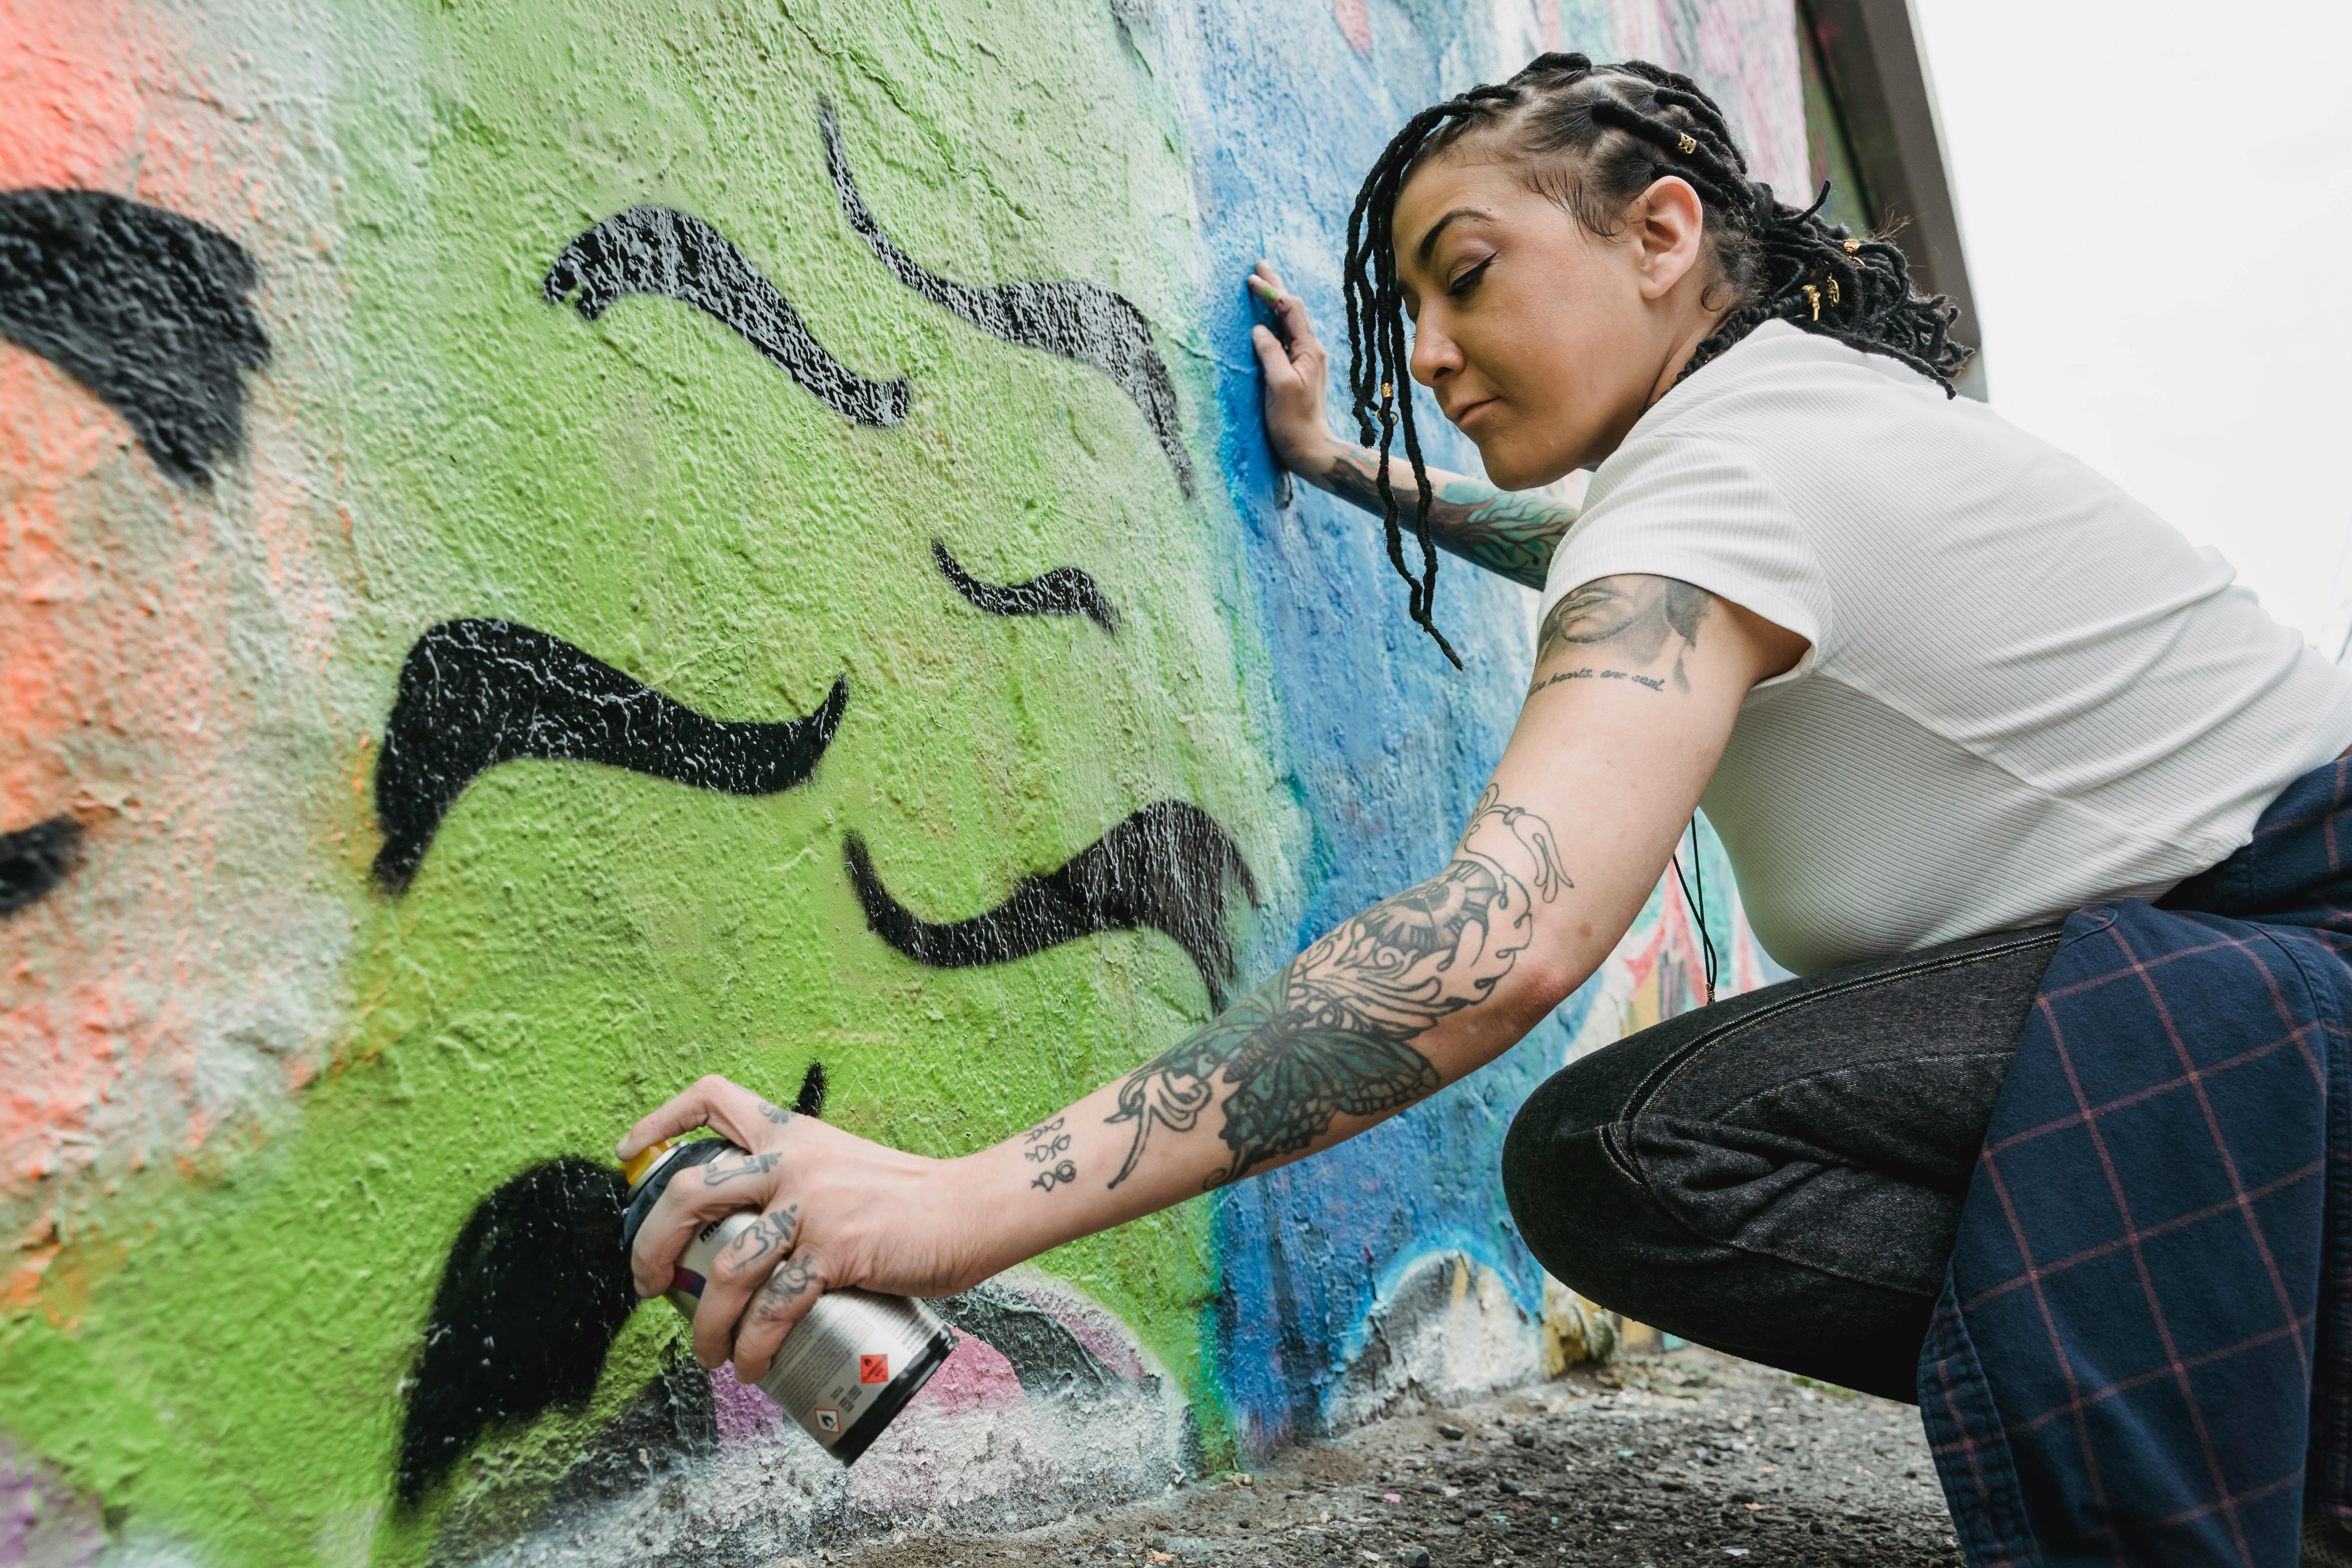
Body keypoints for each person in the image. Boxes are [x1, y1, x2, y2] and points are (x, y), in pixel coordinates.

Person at [617, 54, 2352, 1416]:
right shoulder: (1786, 427)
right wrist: (1341, 463)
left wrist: (950, 1205)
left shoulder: (1729, 476)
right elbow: (1578, 545)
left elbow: (1498, 944)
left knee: (1628, 1152)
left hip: (2287, 978)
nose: (1432, 351)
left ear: (1663, 236)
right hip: (2279, 967)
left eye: (1465, 279)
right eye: (1413, 319)